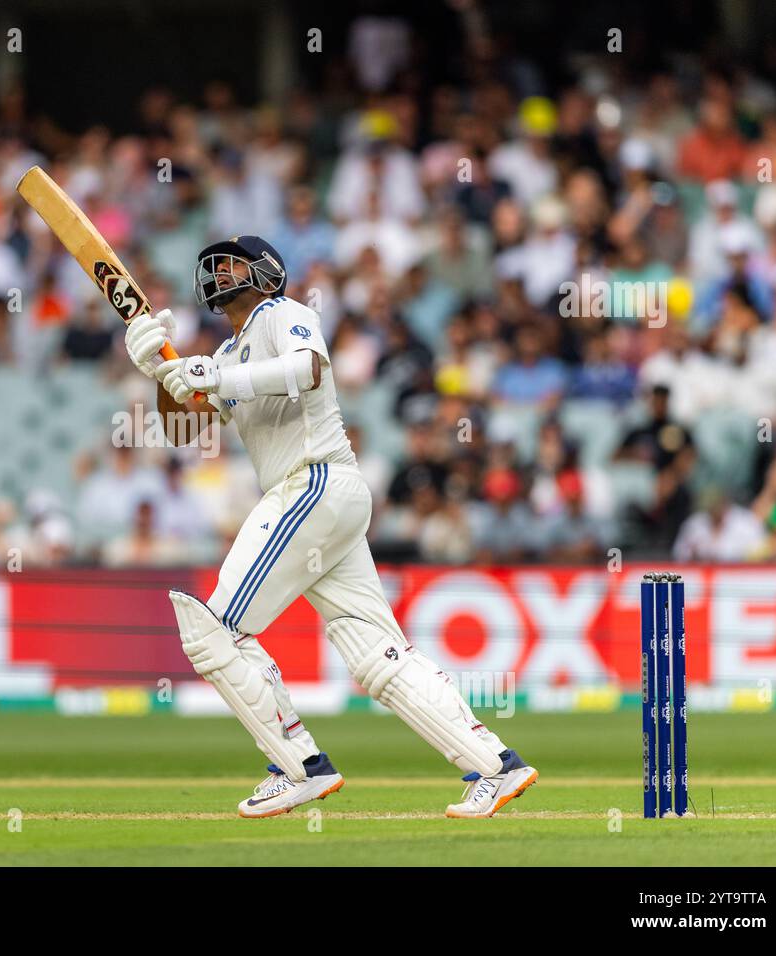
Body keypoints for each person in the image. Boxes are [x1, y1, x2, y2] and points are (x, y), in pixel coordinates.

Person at [125, 235, 537, 819]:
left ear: (268, 271)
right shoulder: (225, 354)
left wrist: (211, 379)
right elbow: (187, 433)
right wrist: (160, 372)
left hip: (313, 481)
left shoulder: (282, 314)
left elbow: (310, 369)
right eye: (213, 265)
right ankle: (498, 766)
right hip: (321, 501)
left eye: (234, 261)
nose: (220, 271)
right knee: (375, 653)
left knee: (213, 630)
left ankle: (299, 768)